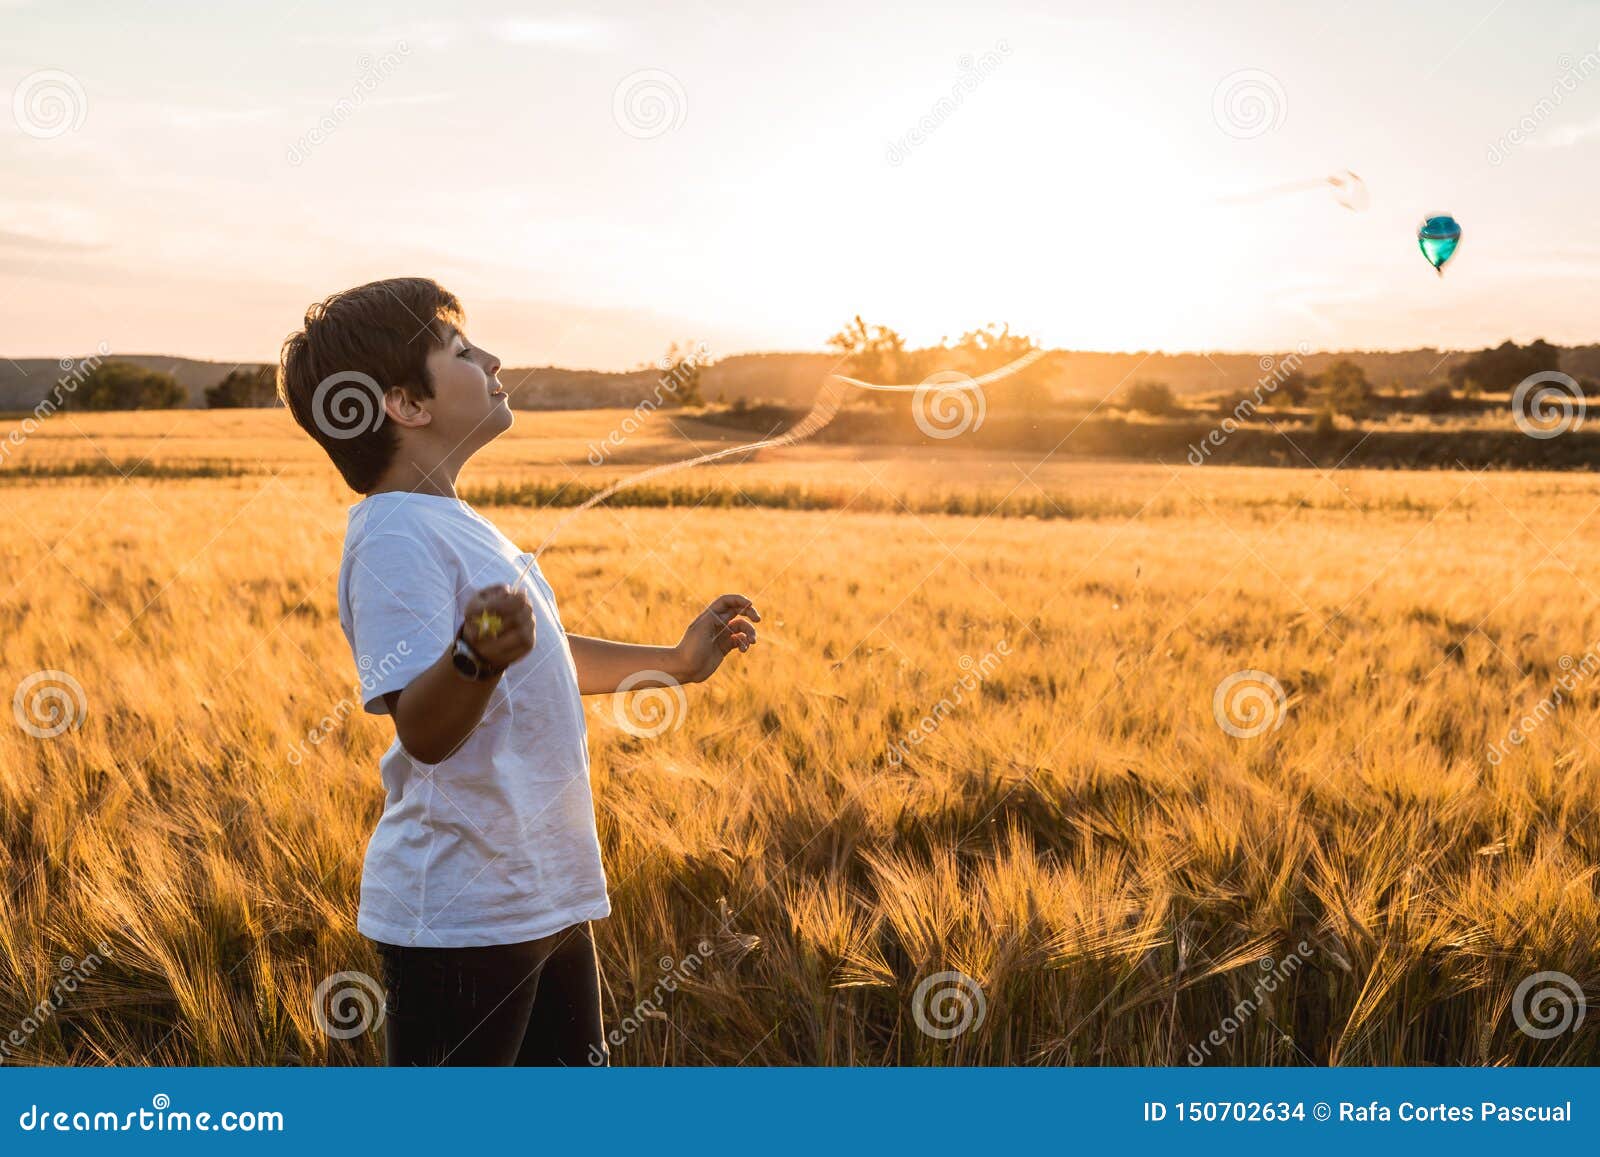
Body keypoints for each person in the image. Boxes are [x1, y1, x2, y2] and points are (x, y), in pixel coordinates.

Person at [276, 277, 759, 1065]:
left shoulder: (454, 520)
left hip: (544, 892)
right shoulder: (395, 534)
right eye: (461, 351)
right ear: (406, 404)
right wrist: (472, 654)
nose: (493, 357)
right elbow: (425, 727)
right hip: (464, 912)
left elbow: (534, 653)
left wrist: (672, 664)